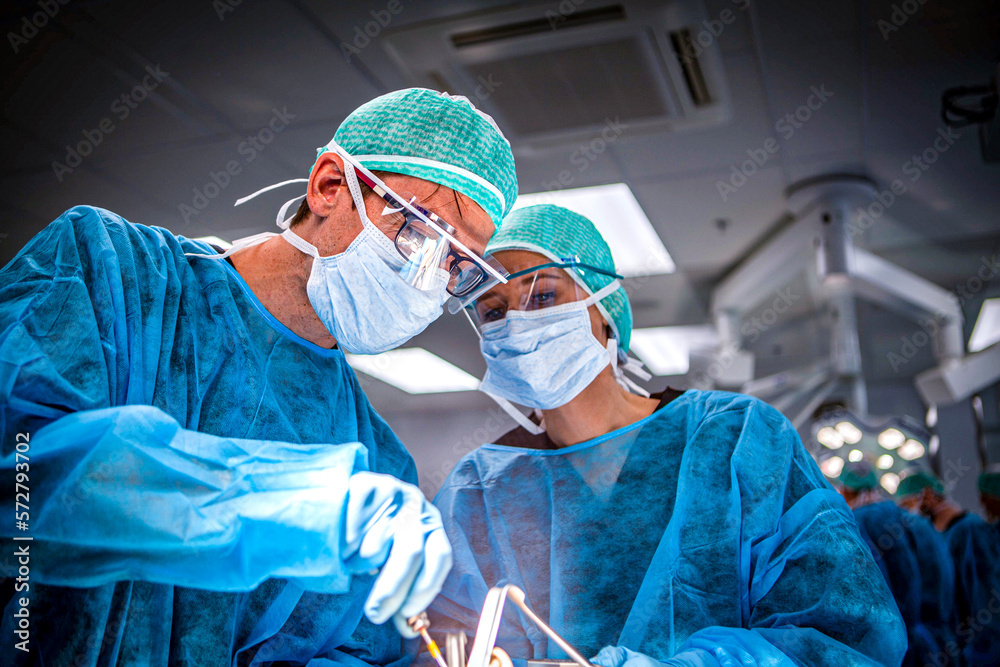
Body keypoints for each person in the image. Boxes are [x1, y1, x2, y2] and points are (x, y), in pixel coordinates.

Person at [0, 88, 518, 666]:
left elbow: (345, 651)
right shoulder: (112, 272)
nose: (430, 279)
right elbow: (19, 479)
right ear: (329, 186)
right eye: (423, 233)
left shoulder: (374, 459)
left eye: (457, 264)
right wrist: (285, 504)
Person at [425, 204, 906, 667]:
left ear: (604, 307)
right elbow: (437, 644)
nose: (517, 323)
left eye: (544, 296)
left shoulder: (736, 439)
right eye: (492, 311)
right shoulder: (478, 492)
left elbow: (845, 635)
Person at [839, 461, 957, 667]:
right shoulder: (919, 524)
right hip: (938, 647)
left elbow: (863, 602)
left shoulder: (854, 526)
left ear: (846, 491)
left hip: (894, 652)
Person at [897, 469, 1000, 664]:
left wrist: (978, 653)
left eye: (907, 505)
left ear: (927, 495)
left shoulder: (970, 530)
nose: (909, 515)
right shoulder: (940, 535)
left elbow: (985, 599)